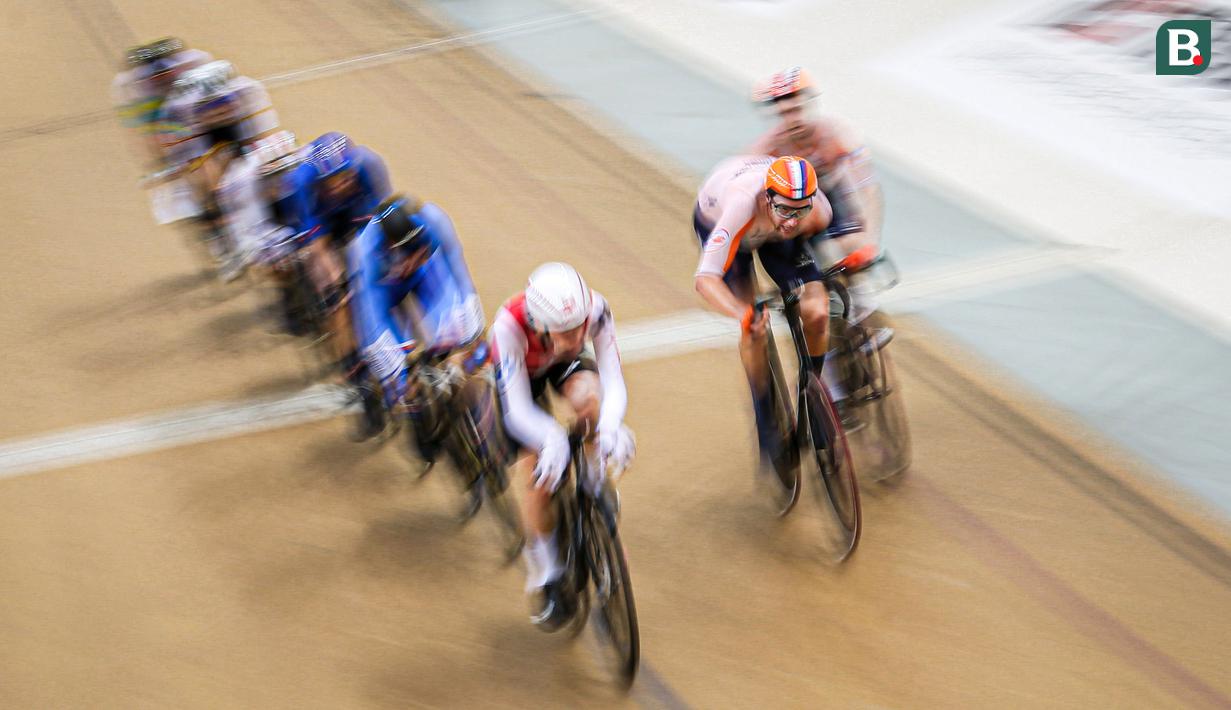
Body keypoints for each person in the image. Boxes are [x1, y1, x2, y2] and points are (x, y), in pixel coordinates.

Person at [490, 262, 635, 630]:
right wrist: (551, 438)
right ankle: (546, 572)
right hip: (524, 379)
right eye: (563, 332)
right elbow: (518, 412)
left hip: (560, 366)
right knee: (539, 473)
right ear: (539, 324)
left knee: (590, 401)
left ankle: (592, 480)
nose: (575, 340)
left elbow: (613, 379)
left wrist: (610, 428)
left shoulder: (596, 310)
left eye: (578, 330)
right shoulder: (508, 327)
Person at [692, 155, 832, 486]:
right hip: (732, 230)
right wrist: (742, 314)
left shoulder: (813, 212)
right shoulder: (741, 203)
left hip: (771, 237)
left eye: (800, 211)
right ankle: (766, 414)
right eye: (785, 209)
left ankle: (814, 394)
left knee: (818, 310)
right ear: (768, 197)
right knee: (754, 328)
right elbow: (705, 279)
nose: (792, 220)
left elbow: (807, 236)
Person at [347, 194, 490, 467]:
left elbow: (459, 278)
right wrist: (399, 370)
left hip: (426, 278)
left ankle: (470, 416)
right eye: (406, 250)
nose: (413, 255)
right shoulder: (366, 254)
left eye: (417, 248)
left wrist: (465, 328)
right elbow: (373, 319)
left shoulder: (433, 220)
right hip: (383, 293)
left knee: (458, 338)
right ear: (389, 244)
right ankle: (415, 417)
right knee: (398, 370)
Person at [286, 133, 393, 438]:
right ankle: (361, 388)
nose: (341, 183)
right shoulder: (301, 183)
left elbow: (379, 229)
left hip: (356, 215)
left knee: (384, 273)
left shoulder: (369, 165)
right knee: (338, 299)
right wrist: (338, 283)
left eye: (345, 175)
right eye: (333, 179)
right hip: (322, 224)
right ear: (319, 179)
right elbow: (318, 248)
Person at [747, 67, 881, 257]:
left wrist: (869, 237)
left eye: (797, 109)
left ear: (811, 105)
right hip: (798, 202)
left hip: (834, 194)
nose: (792, 120)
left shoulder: (838, 133)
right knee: (814, 256)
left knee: (853, 248)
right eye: (784, 114)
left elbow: (867, 188)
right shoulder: (770, 145)